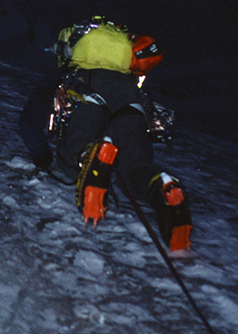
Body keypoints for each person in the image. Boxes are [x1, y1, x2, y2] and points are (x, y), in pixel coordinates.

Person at [18, 16, 192, 252]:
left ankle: (90, 153)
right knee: (136, 169)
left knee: (71, 158)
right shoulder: (125, 74)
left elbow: (29, 120)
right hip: (129, 95)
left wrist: (41, 154)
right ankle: (161, 185)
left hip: (87, 87)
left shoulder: (69, 71)